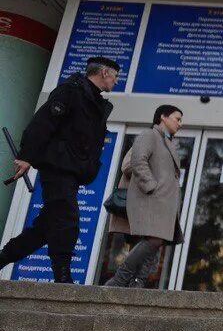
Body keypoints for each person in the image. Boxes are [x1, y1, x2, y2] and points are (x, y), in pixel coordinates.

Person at [0, 56, 118, 283]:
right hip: (57, 167)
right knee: (68, 218)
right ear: (104, 73)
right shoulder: (70, 92)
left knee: (45, 228)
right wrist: (26, 157)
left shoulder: (95, 102)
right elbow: (43, 123)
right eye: (115, 76)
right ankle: (63, 279)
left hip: (72, 172)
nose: (115, 82)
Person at [106, 105, 184, 288]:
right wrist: (151, 186)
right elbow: (134, 163)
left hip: (162, 203)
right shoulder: (149, 135)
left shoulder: (167, 142)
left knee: (156, 242)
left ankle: (138, 282)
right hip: (149, 199)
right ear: (163, 117)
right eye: (177, 118)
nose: (180, 123)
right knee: (154, 240)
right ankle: (119, 279)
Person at [103, 149, 160, 287]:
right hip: (137, 206)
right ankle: (125, 282)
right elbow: (127, 166)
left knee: (151, 245)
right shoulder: (144, 142)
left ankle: (134, 284)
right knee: (146, 243)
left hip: (151, 207)